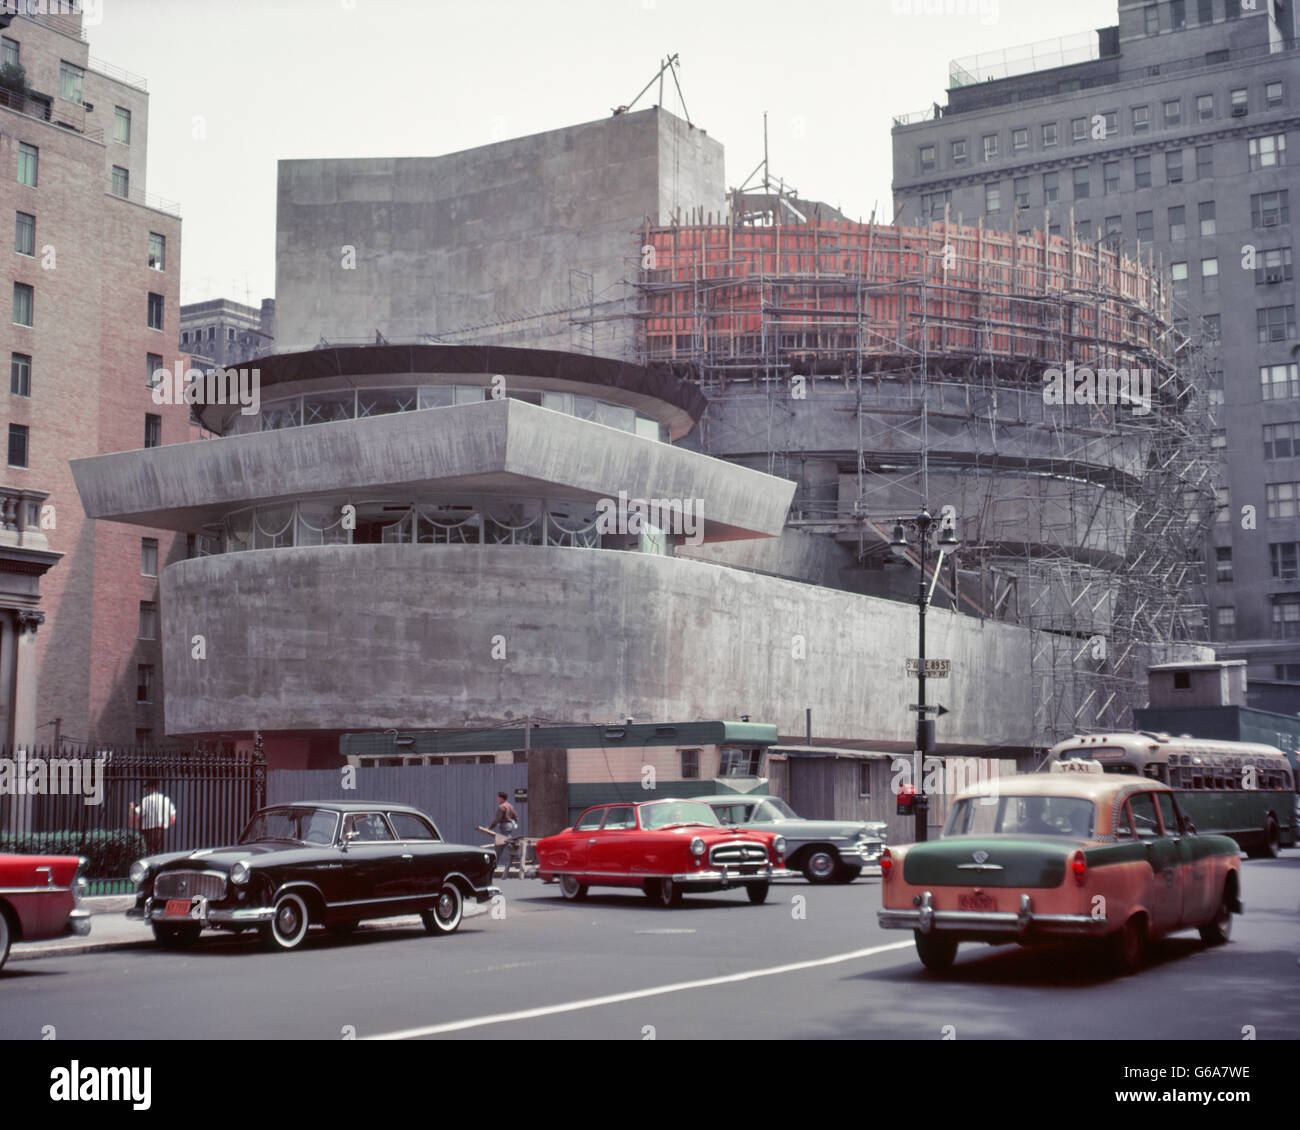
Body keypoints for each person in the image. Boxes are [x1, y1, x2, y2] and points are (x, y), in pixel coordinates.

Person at [130, 778, 177, 854]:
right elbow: (173, 818)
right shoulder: (166, 799)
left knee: (148, 852)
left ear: (150, 788)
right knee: (158, 852)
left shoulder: (146, 800)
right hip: (162, 830)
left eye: (147, 788)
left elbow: (137, 814)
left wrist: (132, 808)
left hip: (148, 830)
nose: (146, 790)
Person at [487, 791, 519, 876]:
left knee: (501, 847)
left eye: (498, 797)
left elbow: (497, 819)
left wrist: (490, 827)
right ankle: (516, 859)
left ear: (501, 798)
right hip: (509, 826)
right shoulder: (510, 806)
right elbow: (516, 816)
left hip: (503, 827)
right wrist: (514, 822)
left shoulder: (501, 807)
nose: (497, 799)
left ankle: (494, 865)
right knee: (504, 844)